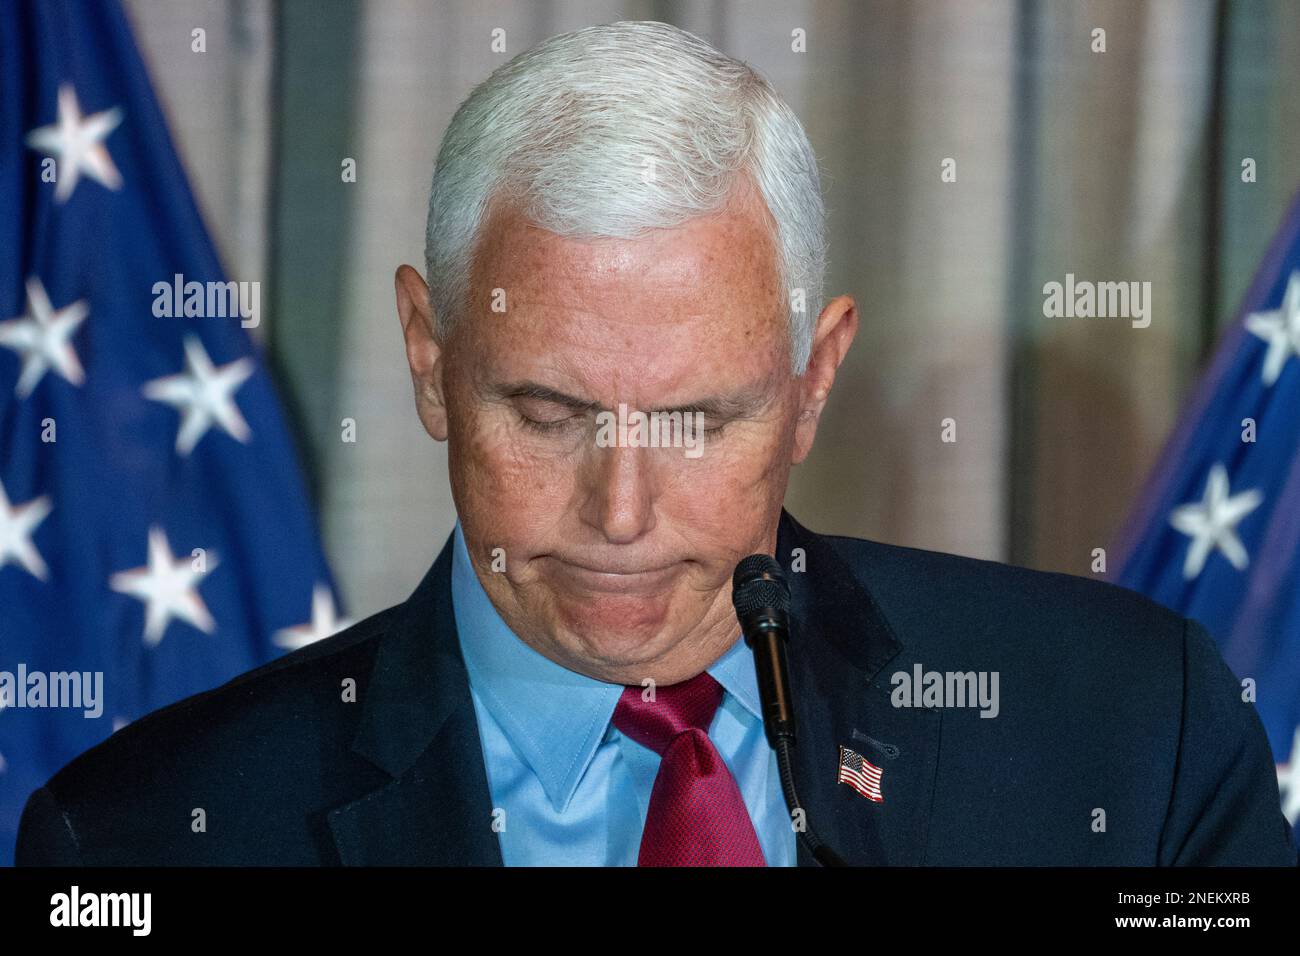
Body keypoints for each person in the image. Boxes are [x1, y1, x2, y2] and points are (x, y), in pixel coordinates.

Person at [15, 20, 1294, 867]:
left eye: (697, 417)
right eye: (547, 412)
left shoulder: (1134, 735)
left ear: (812, 381)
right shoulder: (139, 841)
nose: (620, 512)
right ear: (427, 357)